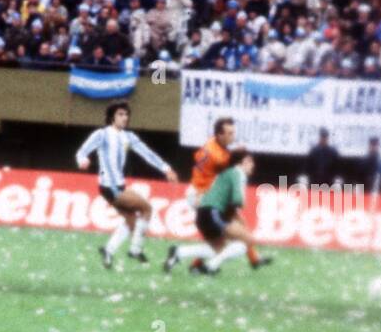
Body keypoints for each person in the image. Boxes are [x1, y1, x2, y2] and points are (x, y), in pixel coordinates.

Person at [76, 101, 178, 267]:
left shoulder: (129, 137)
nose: (125, 118)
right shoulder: (101, 134)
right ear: (111, 117)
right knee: (146, 208)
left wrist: (166, 168)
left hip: (119, 185)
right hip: (110, 186)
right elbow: (82, 151)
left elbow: (147, 154)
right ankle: (135, 249)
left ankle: (108, 251)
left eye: (126, 114)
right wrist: (82, 160)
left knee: (131, 219)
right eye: (120, 114)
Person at [164, 148, 272, 275]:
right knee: (246, 241)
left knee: (217, 248)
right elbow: (237, 199)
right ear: (240, 163)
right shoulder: (238, 173)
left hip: (204, 213)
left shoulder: (228, 172)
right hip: (213, 213)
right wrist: (239, 207)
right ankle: (211, 266)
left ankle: (180, 252)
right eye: (249, 161)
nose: (252, 165)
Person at [186, 116, 264, 266]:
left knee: (224, 230)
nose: (233, 137)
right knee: (228, 229)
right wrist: (242, 155)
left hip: (203, 191)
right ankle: (252, 257)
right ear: (219, 135)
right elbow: (233, 164)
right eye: (229, 133)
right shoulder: (218, 156)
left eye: (233, 132)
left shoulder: (212, 144)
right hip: (201, 194)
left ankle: (253, 257)